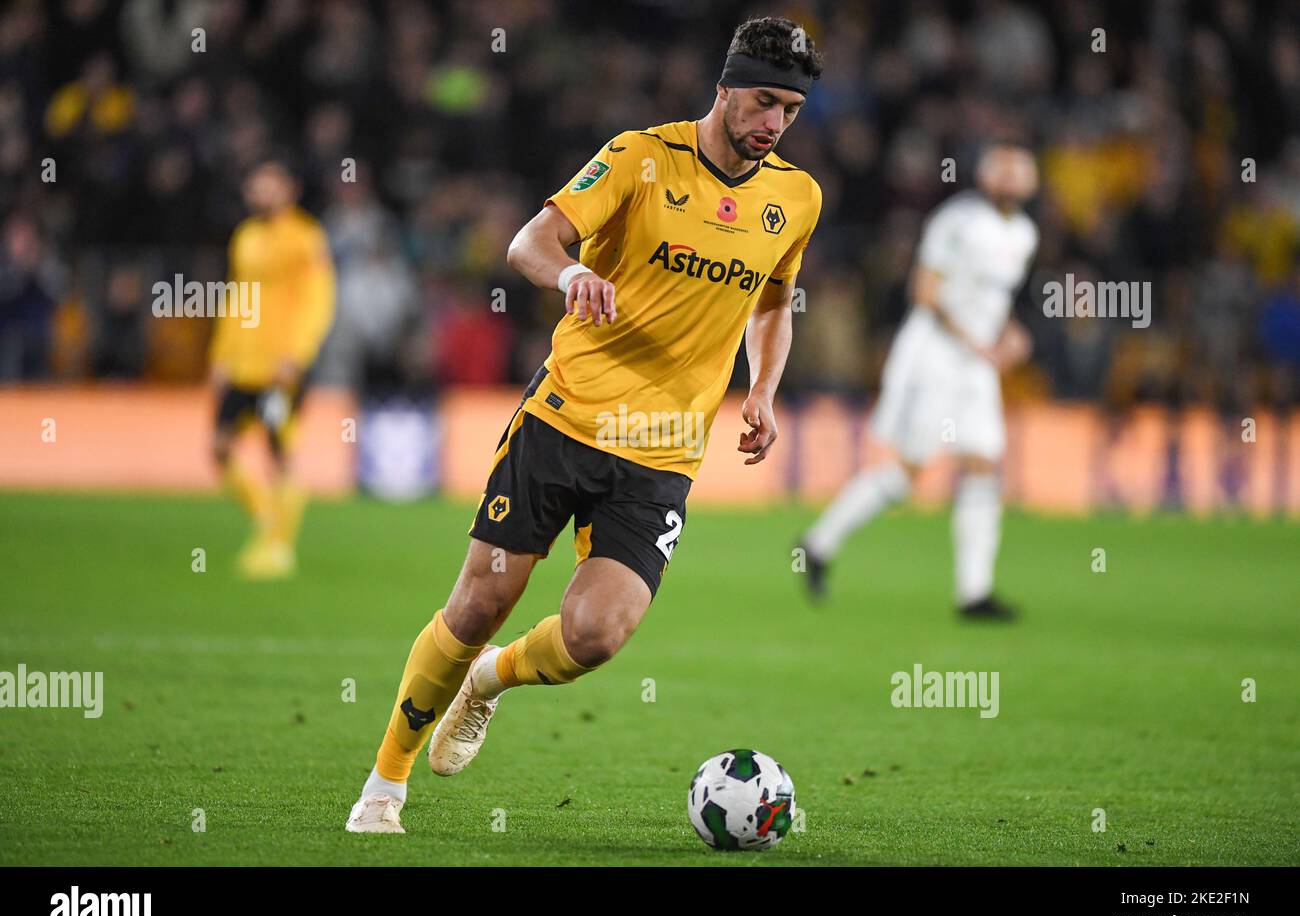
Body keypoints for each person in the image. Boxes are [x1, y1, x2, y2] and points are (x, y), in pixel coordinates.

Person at [347, 16, 824, 833]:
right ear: (724, 89)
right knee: (476, 605)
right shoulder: (641, 157)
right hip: (565, 419)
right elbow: (529, 240)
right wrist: (570, 272)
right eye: (762, 101)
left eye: (789, 109)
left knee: (597, 634)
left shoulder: (795, 197)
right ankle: (384, 785)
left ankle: (488, 683)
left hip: (663, 452)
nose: (773, 123)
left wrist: (764, 388)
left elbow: (774, 301)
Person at [800, 143, 1039, 619]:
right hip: (934, 357)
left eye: (1020, 174)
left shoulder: (1026, 234)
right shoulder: (958, 221)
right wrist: (977, 342)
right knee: (909, 472)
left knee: (983, 464)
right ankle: (817, 542)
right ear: (987, 178)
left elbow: (993, 301)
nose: (1012, 182)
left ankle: (975, 593)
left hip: (976, 363)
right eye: (1004, 172)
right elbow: (926, 291)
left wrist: (1012, 336)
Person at [209, 157, 336, 579]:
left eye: (270, 185)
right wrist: (221, 355)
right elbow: (235, 298)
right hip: (242, 364)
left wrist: (296, 355)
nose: (261, 193)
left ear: (289, 189)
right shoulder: (245, 237)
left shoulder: (305, 237)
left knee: (278, 453)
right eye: (256, 185)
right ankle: (267, 519)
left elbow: (318, 300)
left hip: (280, 369)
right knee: (220, 447)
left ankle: (279, 547)